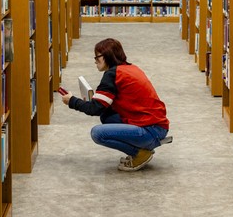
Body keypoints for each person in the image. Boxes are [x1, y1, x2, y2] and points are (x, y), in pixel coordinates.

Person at [61, 38, 170, 171]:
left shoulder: (112, 75)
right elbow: (103, 106)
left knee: (97, 133)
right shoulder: (130, 68)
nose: (95, 61)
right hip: (157, 126)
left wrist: (72, 101)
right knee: (107, 117)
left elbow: (95, 109)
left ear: (107, 56)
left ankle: (140, 153)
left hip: (151, 130)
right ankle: (142, 147)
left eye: (97, 57)